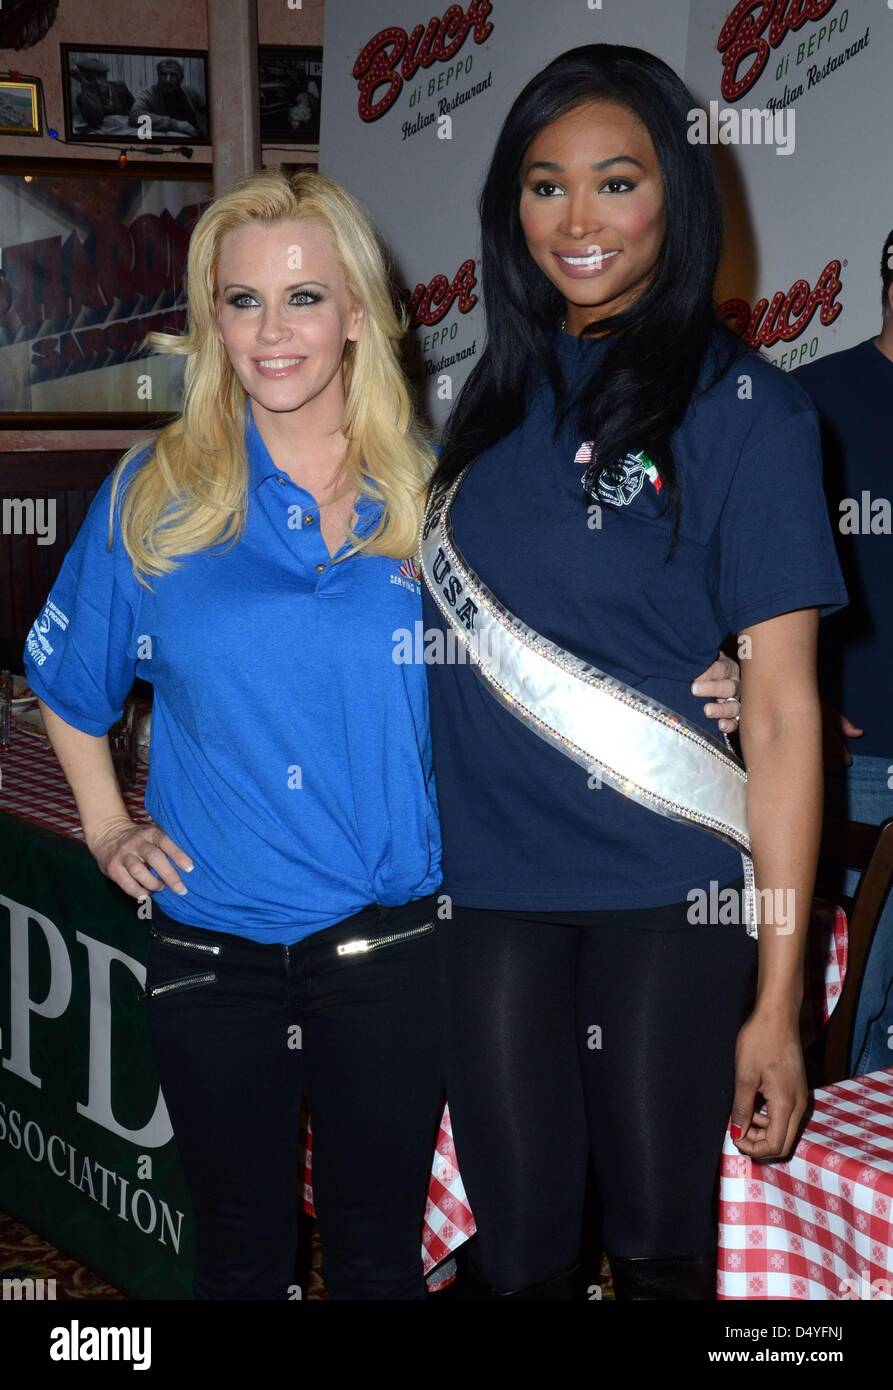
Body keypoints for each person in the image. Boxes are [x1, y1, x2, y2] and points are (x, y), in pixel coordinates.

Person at [421, 44, 850, 1300]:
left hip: (669, 895)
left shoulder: (747, 413)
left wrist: (778, 1003)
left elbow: (779, 712)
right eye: (544, 185)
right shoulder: (483, 404)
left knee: (660, 1246)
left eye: (616, 181)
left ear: (676, 191)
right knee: (522, 1254)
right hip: (492, 892)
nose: (577, 218)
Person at [23, 169, 445, 1301]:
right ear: (212, 317)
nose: (271, 331)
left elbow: (549, 655)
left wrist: (709, 668)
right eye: (241, 299)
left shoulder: (435, 498)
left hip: (391, 951)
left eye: (303, 296)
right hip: (212, 955)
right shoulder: (155, 493)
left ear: (358, 310)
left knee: (374, 1262)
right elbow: (68, 682)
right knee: (240, 1261)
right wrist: (110, 827)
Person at [793, 228, 893, 1079]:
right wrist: (795, 693)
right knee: (852, 1010)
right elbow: (730, 569)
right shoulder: (811, 405)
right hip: (862, 757)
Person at [129, 58, 208, 139]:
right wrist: (174, 124)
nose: (168, 80)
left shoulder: (190, 92)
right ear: (158, 75)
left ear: (181, 77)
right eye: (163, 74)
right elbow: (135, 115)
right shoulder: (149, 93)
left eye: (173, 75)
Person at [73, 56, 134, 132]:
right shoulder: (84, 97)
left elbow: (135, 108)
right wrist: (88, 86)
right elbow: (95, 120)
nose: (98, 82)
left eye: (100, 76)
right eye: (91, 79)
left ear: (106, 77)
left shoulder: (120, 87)